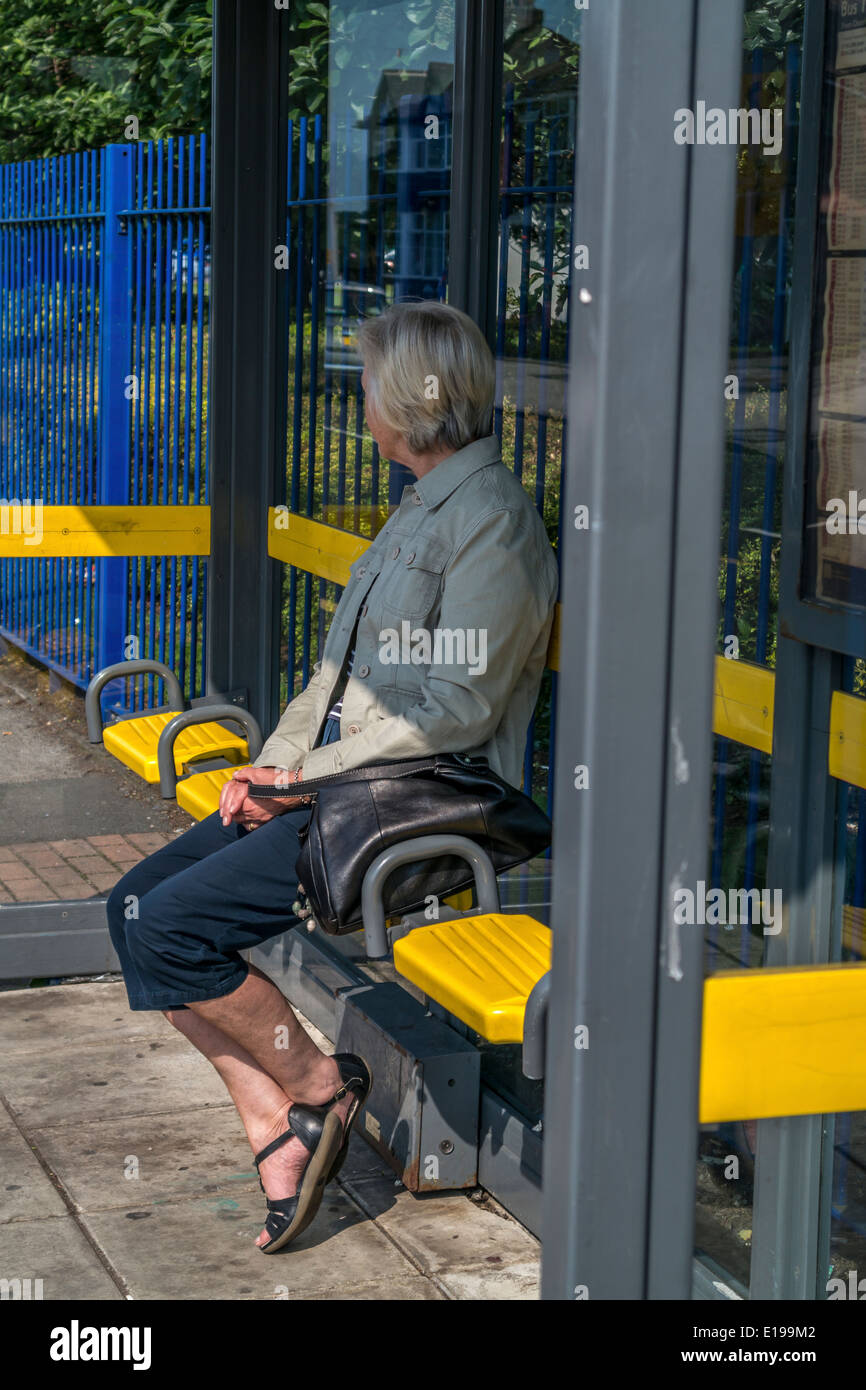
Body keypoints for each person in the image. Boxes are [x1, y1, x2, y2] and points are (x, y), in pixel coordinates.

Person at [106, 300, 559, 1253]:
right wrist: (272, 762)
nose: (355, 400)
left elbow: (456, 711)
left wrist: (304, 779)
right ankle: (279, 1113)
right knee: (135, 909)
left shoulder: (493, 524)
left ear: (409, 399)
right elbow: (335, 676)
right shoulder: (418, 505)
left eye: (365, 384)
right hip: (344, 786)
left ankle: (318, 1089)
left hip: (420, 797)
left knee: (178, 929)